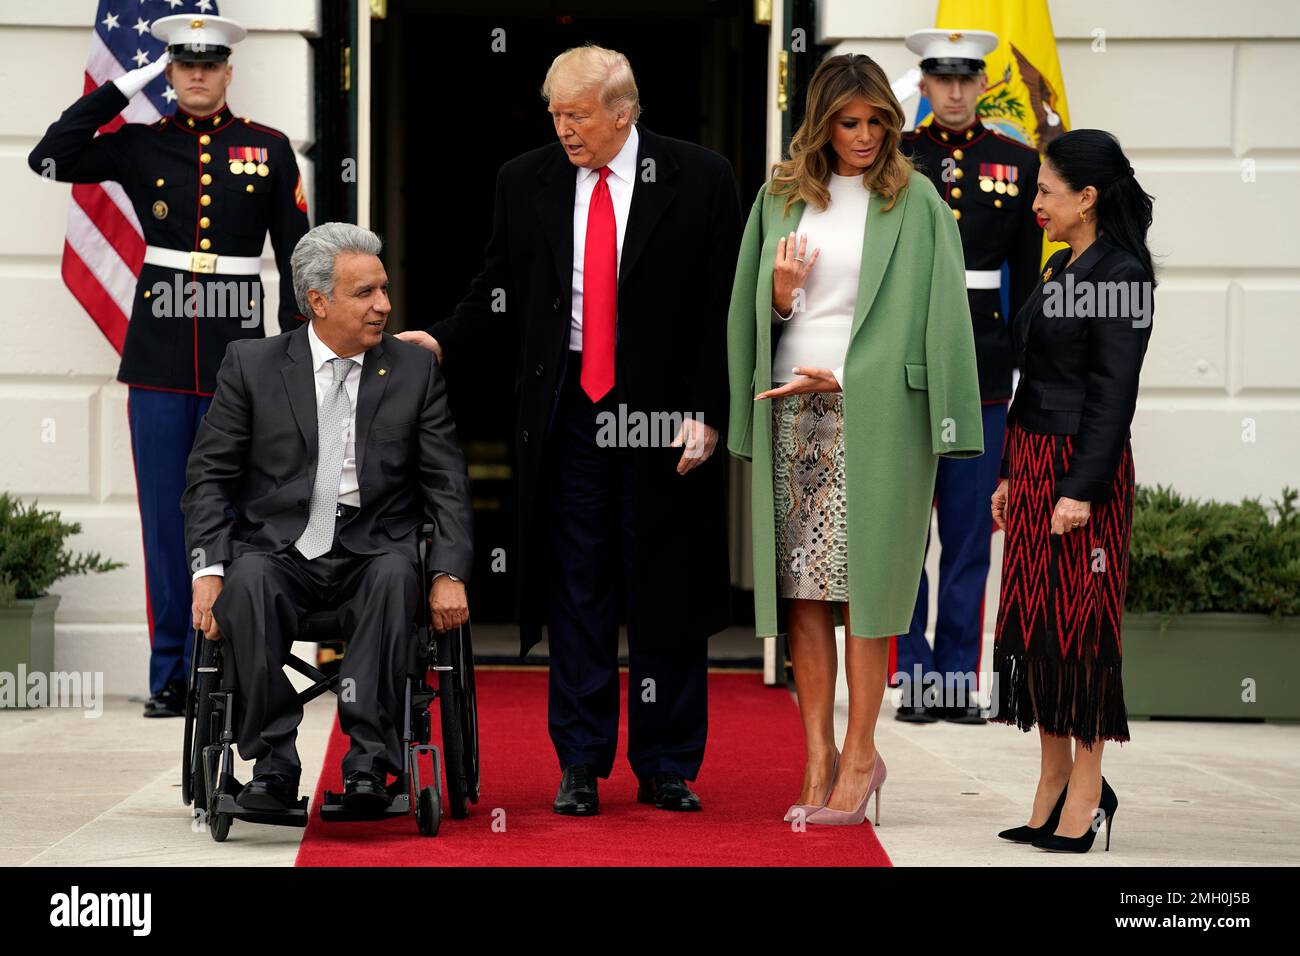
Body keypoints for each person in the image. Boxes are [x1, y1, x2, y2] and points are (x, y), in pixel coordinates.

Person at [396, 45, 740, 816]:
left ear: (624, 113)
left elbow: (721, 307)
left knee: (665, 584)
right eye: (554, 114)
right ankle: (580, 761)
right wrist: (445, 339)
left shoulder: (701, 177)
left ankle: (667, 762)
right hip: (570, 409)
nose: (562, 129)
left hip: (662, 412)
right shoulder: (527, 179)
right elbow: (499, 289)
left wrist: (709, 411)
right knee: (577, 585)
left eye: (576, 115)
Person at [27, 14, 310, 717]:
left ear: (228, 70)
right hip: (157, 355)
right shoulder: (137, 146)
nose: (196, 74)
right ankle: (172, 675)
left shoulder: (268, 149)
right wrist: (126, 85)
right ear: (169, 71)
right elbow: (50, 156)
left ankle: (231, 659)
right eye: (182, 63)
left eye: (208, 63)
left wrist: (294, 357)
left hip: (239, 358)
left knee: (240, 516)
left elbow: (298, 253)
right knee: (165, 519)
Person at [726, 54, 983, 826]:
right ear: (821, 121)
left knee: (867, 590)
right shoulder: (778, 197)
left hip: (878, 415)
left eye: (877, 121)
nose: (865, 135)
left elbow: (945, 314)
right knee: (803, 595)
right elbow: (750, 309)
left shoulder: (917, 198)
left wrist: (948, 420)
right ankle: (817, 753)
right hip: (790, 414)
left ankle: (863, 754)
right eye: (849, 121)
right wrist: (778, 299)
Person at [182, 223, 472, 813]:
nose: (384, 305)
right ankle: (273, 762)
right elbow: (209, 477)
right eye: (365, 293)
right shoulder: (252, 365)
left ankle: (369, 764)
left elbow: (447, 483)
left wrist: (448, 571)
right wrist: (207, 568)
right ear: (318, 300)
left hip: (375, 548)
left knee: (396, 580)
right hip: (281, 549)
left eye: (384, 290)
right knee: (248, 583)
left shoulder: (414, 371)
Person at [990, 129, 1156, 853]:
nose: (1035, 204)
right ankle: (1051, 782)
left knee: (1080, 628)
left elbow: (1114, 394)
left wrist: (1082, 487)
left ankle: (1087, 790)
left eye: (1046, 192)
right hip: (1031, 463)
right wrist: (1005, 472)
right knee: (1034, 625)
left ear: (1086, 198)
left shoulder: (1123, 274)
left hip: (1080, 476)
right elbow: (1032, 382)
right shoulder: (1063, 265)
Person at [893, 29, 1045, 724]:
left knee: (967, 532)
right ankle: (914, 676)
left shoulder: (1016, 161)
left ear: (984, 85)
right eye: (940, 78)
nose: (954, 91)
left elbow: (1025, 286)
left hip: (982, 366)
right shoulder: (894, 157)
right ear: (923, 84)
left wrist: (1023, 372)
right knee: (901, 533)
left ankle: (956, 679)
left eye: (966, 79)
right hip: (906, 362)